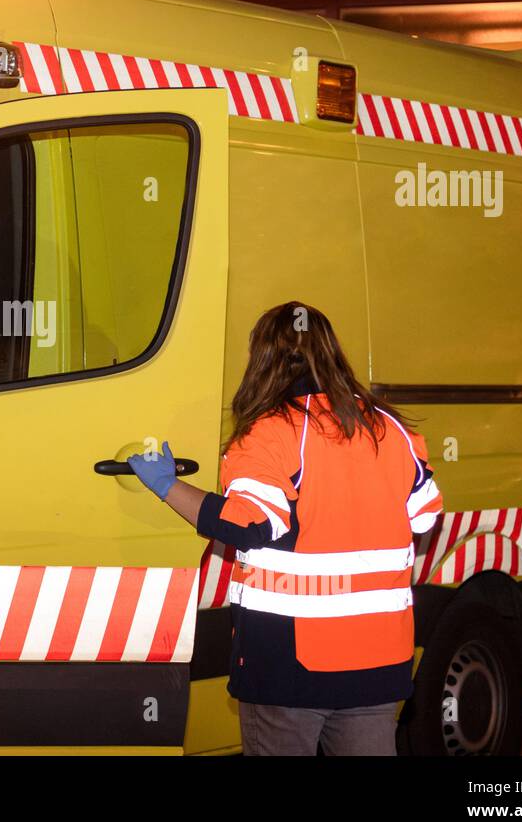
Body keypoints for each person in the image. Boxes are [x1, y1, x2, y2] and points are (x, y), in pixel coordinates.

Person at [128, 301, 442, 756]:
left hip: (292, 665)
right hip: (379, 663)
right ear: (332, 352)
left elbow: (251, 523)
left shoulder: (272, 432)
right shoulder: (386, 428)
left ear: (263, 359)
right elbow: (426, 515)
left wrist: (167, 486)